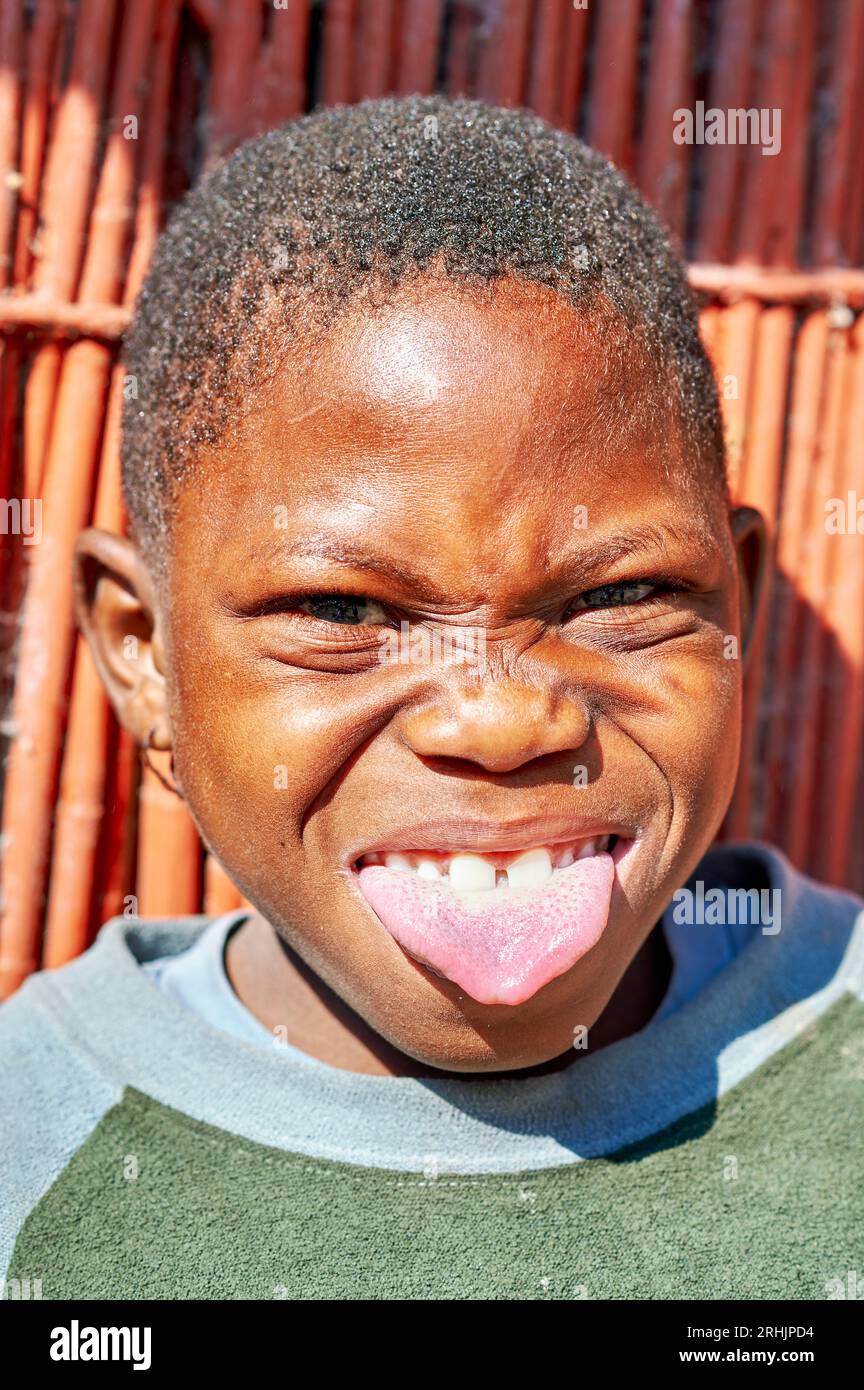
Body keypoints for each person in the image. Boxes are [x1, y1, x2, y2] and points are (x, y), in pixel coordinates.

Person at [1, 95, 861, 1300]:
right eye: (342, 613)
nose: (503, 722)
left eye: (624, 594)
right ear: (144, 655)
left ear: (737, 611)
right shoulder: (30, 1151)